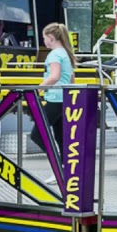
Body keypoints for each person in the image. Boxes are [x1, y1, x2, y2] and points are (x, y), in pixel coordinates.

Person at [29, 23, 76, 162]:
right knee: (60, 136)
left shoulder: (54, 54)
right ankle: (64, 169)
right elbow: (71, 78)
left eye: (44, 38)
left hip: (54, 98)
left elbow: (54, 76)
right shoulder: (66, 54)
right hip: (65, 99)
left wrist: (38, 89)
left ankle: (56, 163)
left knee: (37, 134)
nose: (44, 41)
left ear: (50, 38)